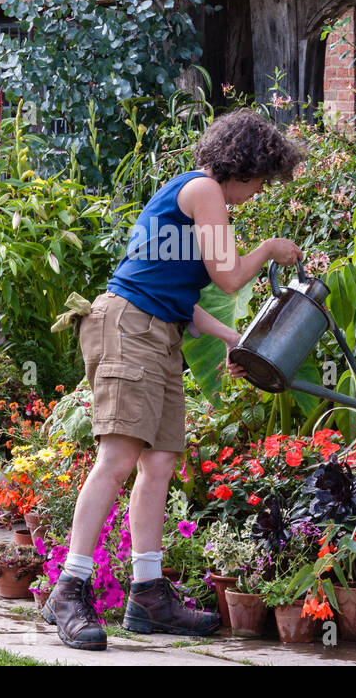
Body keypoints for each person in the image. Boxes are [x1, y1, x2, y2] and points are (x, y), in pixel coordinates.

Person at [41, 109, 305, 650]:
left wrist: (237, 341)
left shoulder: (193, 196)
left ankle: (148, 594)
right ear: (246, 166)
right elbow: (229, 276)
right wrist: (273, 250)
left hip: (160, 330)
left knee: (158, 462)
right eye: (260, 181)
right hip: (128, 328)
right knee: (116, 458)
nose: (257, 192)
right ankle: (69, 588)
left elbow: (181, 300)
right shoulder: (204, 189)